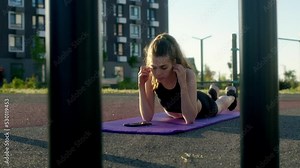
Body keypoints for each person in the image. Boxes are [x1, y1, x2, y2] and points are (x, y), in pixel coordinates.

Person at [138, 33, 237, 124]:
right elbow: (147, 118)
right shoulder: (150, 78)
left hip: (204, 108)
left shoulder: (187, 74)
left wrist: (182, 84)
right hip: (186, 104)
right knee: (211, 97)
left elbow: (189, 119)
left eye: (164, 67)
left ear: (174, 62)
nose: (158, 73)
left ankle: (231, 94)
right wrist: (141, 86)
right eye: (153, 67)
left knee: (220, 104)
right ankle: (213, 92)